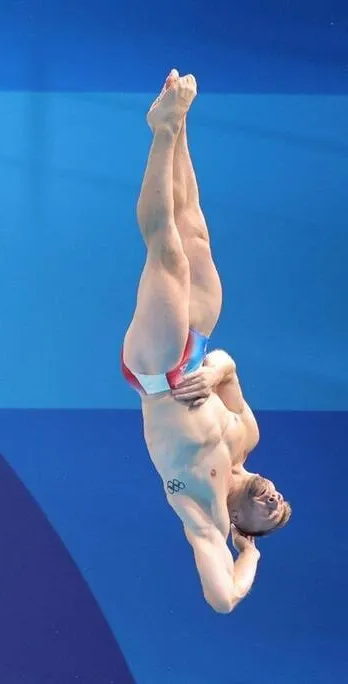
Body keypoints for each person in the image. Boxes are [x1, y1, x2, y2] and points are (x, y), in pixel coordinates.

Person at [120, 70, 291, 613]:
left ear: (244, 526)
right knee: (193, 231)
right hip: (194, 348)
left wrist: (250, 557)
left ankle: (162, 131)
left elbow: (223, 598)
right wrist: (217, 374)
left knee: (166, 252)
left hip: (155, 373)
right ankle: (181, 119)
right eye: (283, 501)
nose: (274, 500)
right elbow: (229, 366)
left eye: (271, 515)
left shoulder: (205, 513)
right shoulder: (247, 435)